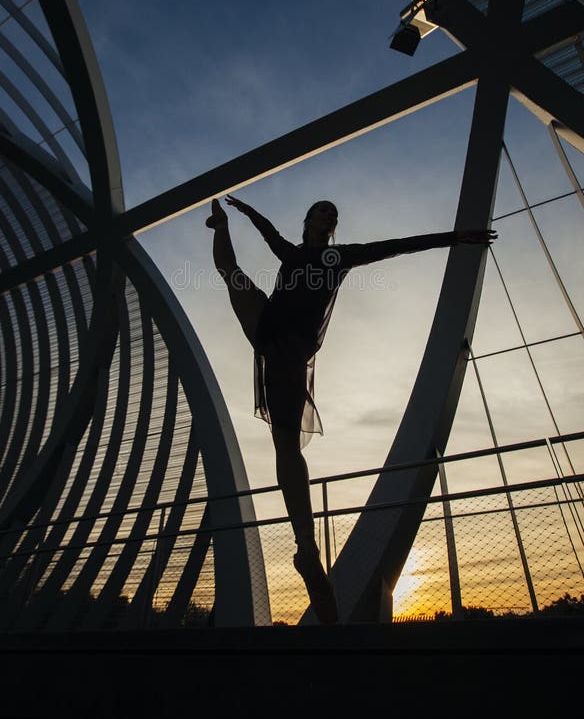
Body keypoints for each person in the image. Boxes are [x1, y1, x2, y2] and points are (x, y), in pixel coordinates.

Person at [206, 195, 496, 624]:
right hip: (268, 323)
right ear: (308, 220)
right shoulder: (291, 251)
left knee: (286, 447)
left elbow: (398, 244)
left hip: (290, 348)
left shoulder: (340, 257)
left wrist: (455, 238)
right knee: (229, 272)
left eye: (333, 214)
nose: (329, 214)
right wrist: (243, 214)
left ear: (332, 228)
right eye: (322, 209)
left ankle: (306, 547)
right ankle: (219, 225)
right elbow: (270, 233)